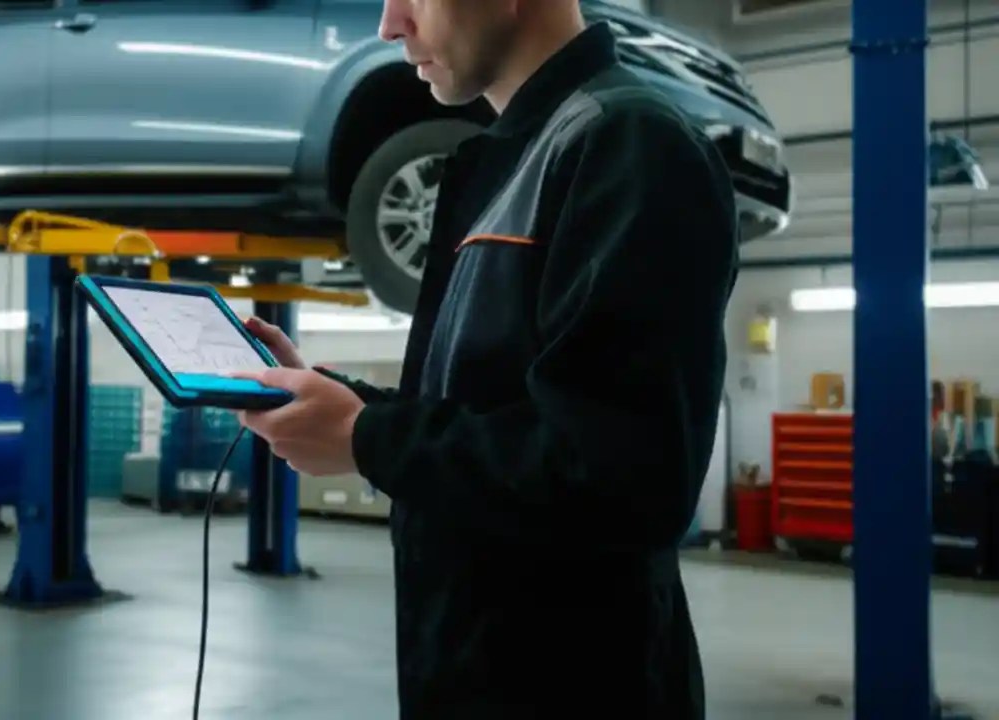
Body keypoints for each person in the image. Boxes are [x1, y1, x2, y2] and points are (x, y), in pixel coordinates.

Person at [233, 0, 739, 717]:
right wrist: (340, 404)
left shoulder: (628, 144)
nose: (389, 24)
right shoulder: (511, 161)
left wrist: (366, 437)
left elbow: (622, 477)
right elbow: (495, 416)